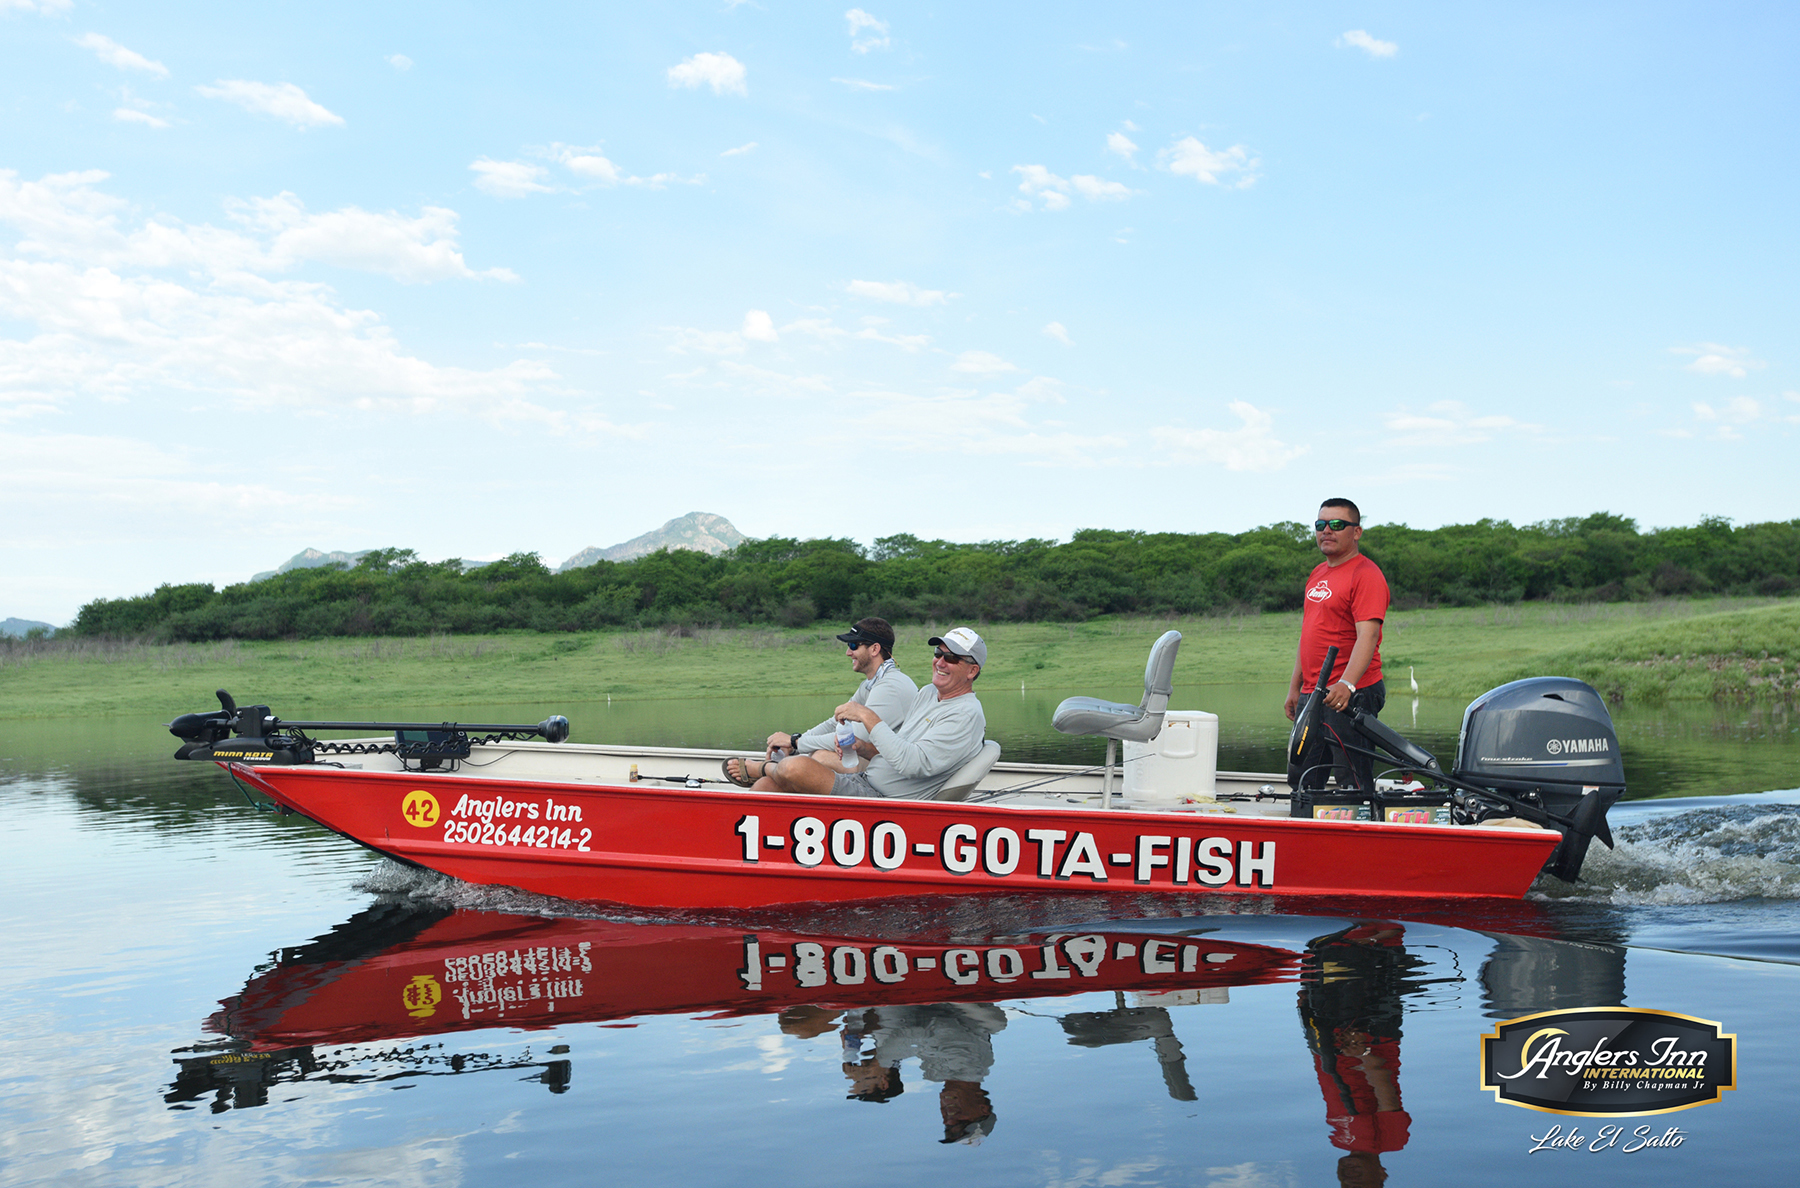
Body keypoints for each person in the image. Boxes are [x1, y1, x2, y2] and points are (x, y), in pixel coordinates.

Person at [744, 627, 987, 799]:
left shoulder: (966, 714)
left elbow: (913, 764)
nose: (941, 662)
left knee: (793, 768)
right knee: (766, 788)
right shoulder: (927, 693)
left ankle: (762, 767)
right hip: (868, 780)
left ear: (971, 671)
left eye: (952, 658)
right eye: (938, 654)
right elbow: (900, 747)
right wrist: (864, 748)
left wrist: (866, 716)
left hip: (886, 800)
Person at [723, 617, 916, 786]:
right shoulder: (872, 684)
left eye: (854, 645)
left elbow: (851, 739)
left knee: (821, 758)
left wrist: (796, 742)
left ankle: (767, 770)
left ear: (874, 649)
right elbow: (836, 722)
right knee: (812, 757)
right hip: (873, 760)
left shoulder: (890, 686)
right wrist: (795, 743)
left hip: (893, 774)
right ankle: (773, 775)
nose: (848, 653)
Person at [1284, 500, 1390, 793]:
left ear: (1356, 532)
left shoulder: (1365, 574)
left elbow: (1367, 636)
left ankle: (1360, 833)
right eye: (1321, 525)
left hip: (1349, 693)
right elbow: (1308, 635)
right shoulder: (1318, 573)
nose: (1327, 530)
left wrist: (1348, 684)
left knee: (1351, 779)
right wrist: (1296, 688)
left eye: (1337, 524)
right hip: (1312, 692)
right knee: (1302, 776)